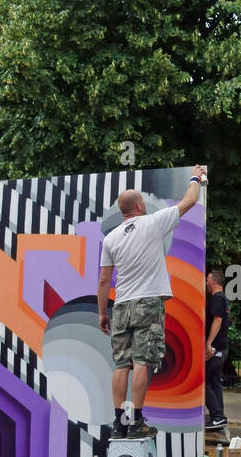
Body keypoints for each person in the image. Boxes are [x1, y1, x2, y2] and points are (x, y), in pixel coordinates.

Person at [98, 166, 208, 439]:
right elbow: (190, 201)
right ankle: (136, 422)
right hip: (148, 303)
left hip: (121, 305)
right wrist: (195, 177)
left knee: (122, 364)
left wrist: (102, 313)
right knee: (142, 361)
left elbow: (103, 281)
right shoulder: (152, 222)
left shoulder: (110, 238)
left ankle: (117, 423)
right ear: (138, 205)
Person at [204, 268, 229, 429]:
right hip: (220, 348)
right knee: (214, 382)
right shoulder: (221, 298)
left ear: (213, 280)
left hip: (215, 348)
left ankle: (218, 415)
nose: (205, 282)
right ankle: (218, 417)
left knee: (203, 382)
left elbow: (217, 321)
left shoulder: (218, 298)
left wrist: (209, 344)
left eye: (207, 279)